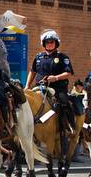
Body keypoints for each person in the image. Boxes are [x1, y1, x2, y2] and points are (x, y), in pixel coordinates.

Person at [26, 29, 76, 158]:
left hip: (57, 88)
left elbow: (68, 73)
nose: (49, 44)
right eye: (47, 42)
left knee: (65, 102)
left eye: (52, 42)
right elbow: (32, 72)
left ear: (56, 43)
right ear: (43, 43)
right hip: (40, 87)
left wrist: (56, 78)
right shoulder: (38, 57)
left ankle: (69, 126)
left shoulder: (62, 57)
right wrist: (27, 86)